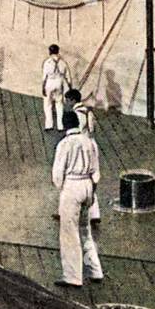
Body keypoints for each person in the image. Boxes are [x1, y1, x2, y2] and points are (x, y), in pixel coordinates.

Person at [52, 120, 104, 288]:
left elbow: (58, 173)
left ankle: (73, 276)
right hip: (88, 185)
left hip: (72, 186)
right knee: (85, 230)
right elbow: (96, 171)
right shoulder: (89, 141)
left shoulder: (65, 144)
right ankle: (95, 270)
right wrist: (91, 189)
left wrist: (63, 189)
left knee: (69, 232)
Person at [63, 88, 100, 223]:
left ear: (73, 100)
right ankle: (94, 213)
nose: (66, 103)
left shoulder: (75, 114)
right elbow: (92, 129)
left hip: (80, 146)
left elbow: (75, 131)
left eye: (67, 100)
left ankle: (69, 211)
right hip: (91, 145)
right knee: (91, 180)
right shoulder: (88, 112)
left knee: (71, 176)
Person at [42, 44, 72, 131]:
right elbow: (68, 76)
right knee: (59, 103)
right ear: (58, 51)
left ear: (50, 52)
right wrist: (70, 86)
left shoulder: (47, 62)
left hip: (49, 83)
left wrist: (43, 87)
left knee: (47, 104)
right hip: (59, 82)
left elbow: (44, 77)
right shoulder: (63, 62)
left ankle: (49, 125)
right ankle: (60, 126)